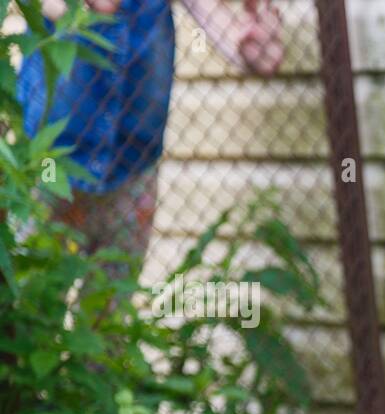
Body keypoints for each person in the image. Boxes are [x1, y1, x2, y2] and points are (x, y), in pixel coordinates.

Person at [19, 0, 284, 265]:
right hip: (49, 165)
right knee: (33, 288)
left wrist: (251, 47)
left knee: (111, 298)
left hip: (132, 170)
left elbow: (215, 16)